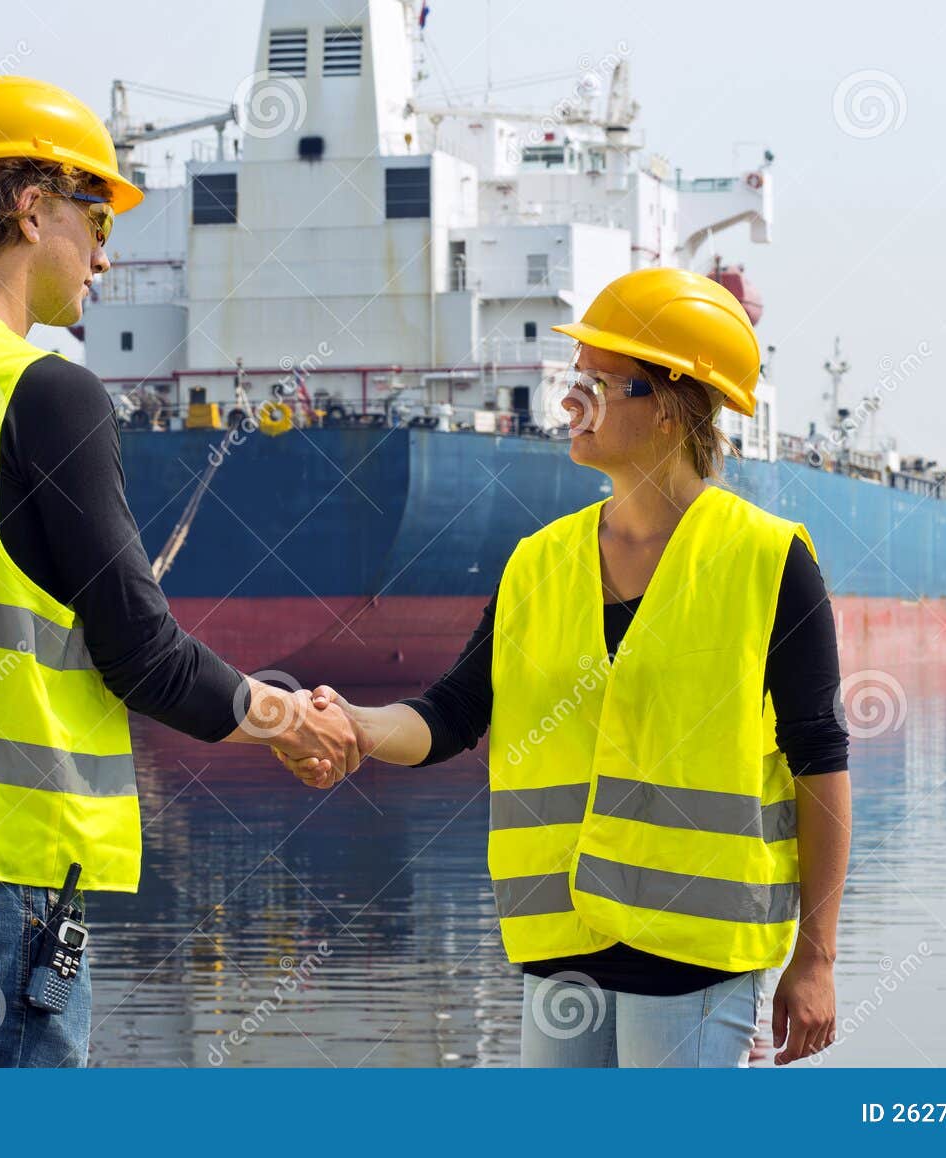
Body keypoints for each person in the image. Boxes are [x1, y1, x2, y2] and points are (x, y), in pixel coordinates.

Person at [0, 76, 360, 1069]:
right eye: (95, 219)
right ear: (32, 207)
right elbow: (139, 651)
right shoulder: (44, 393)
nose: (105, 255)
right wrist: (285, 720)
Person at [281, 268, 852, 1068]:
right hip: (559, 949)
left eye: (595, 384)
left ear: (671, 406)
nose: (567, 402)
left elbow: (819, 760)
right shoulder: (538, 563)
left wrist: (816, 958)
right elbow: (451, 714)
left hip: (696, 955)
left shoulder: (769, 560)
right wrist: (357, 726)